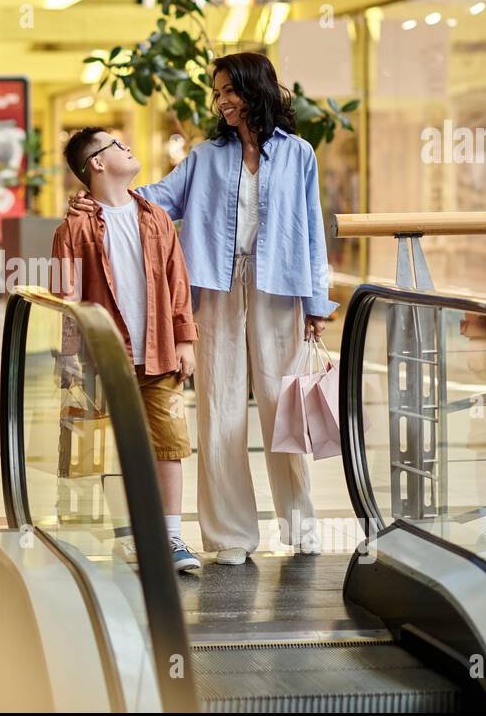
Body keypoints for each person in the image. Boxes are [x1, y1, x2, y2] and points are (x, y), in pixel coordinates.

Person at [68, 51, 338, 561]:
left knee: (281, 407)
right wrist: (97, 199)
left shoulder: (299, 153)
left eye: (228, 91)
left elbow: (311, 230)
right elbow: (155, 200)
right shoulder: (206, 156)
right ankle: (230, 536)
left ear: (254, 89)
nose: (221, 102)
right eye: (217, 93)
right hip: (214, 287)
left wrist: (316, 302)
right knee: (219, 408)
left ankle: (300, 526)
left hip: (279, 286)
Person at [51, 127, 200, 572]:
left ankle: (170, 536)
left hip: (159, 355)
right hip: (102, 359)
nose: (128, 146)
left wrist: (185, 339)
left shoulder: (155, 217)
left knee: (169, 444)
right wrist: (69, 358)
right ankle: (127, 537)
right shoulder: (74, 228)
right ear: (97, 163)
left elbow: (177, 282)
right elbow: (66, 299)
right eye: (116, 144)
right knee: (100, 449)